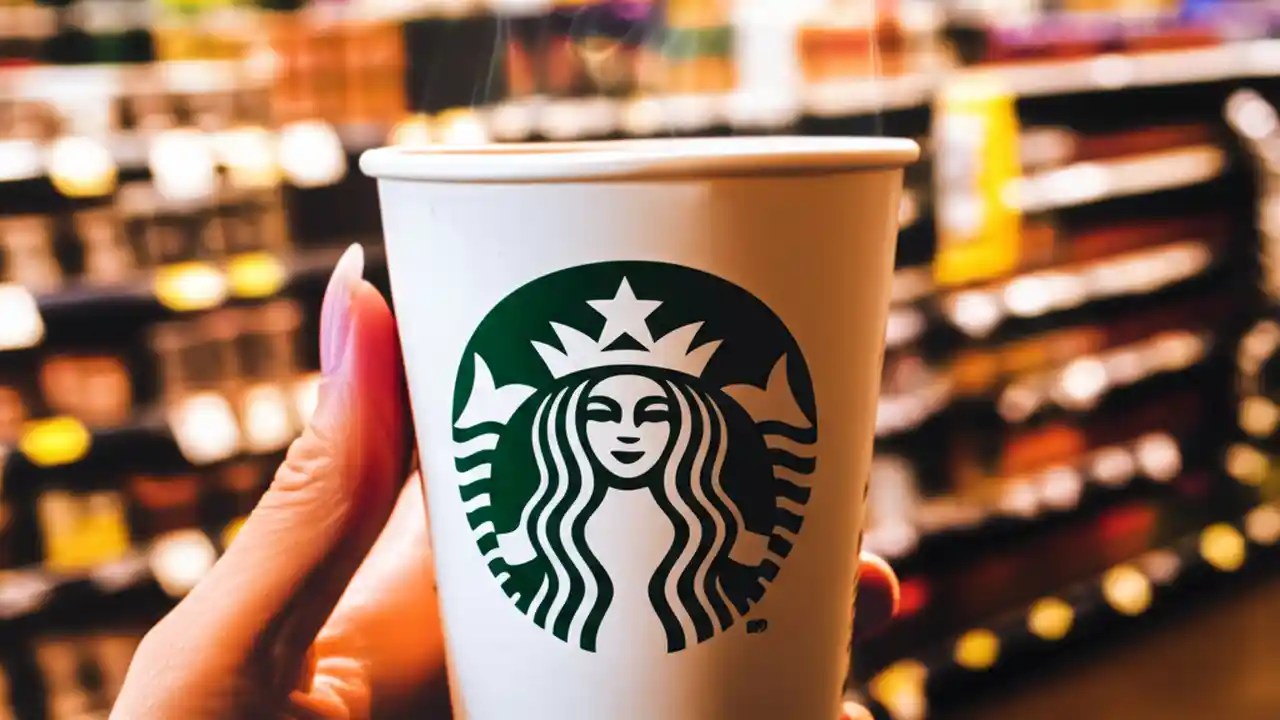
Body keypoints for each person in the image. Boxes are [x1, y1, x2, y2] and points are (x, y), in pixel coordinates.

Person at [110, 246, 901, 720]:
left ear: (694, 428)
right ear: (565, 429)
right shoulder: (544, 540)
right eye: (601, 414)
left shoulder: (725, 541)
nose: (626, 432)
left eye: (653, 414)